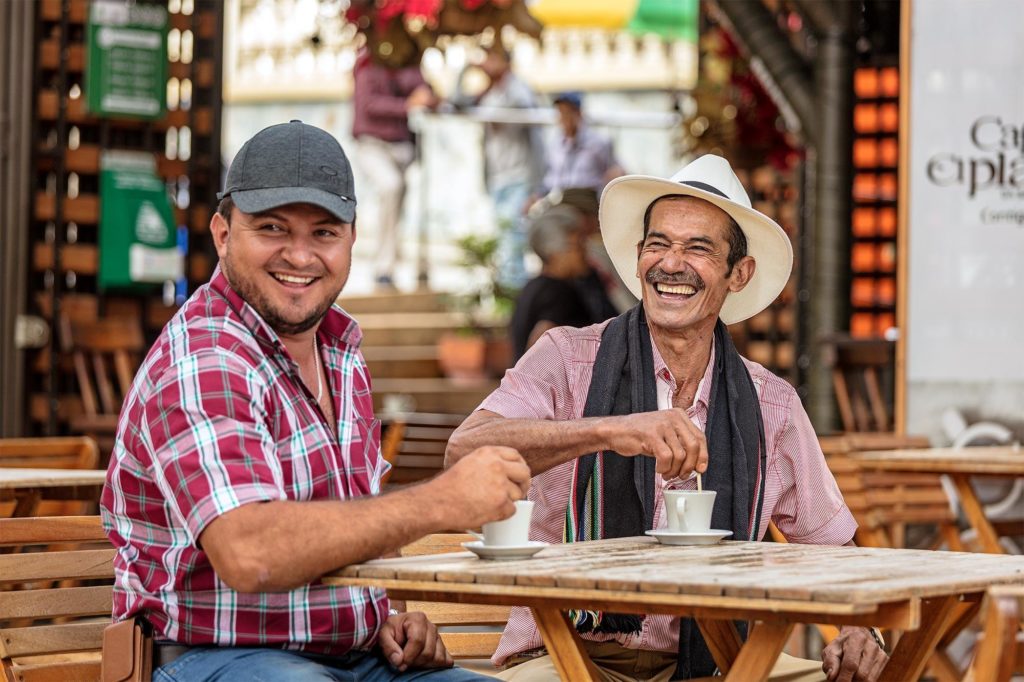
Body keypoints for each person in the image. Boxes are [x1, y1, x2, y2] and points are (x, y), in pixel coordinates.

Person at [101, 121, 531, 682]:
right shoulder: (206, 356)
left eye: (324, 232)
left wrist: (395, 613)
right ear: (223, 234)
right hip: (211, 660)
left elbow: (352, 517)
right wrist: (442, 502)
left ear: (353, 239)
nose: (300, 256)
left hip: (356, 659)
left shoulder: (339, 349)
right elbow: (250, 553)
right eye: (272, 228)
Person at [446, 155, 888, 682]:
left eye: (698, 248)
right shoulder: (566, 358)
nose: (671, 264)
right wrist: (611, 430)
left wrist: (863, 630)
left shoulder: (772, 402)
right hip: (565, 660)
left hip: (722, 666)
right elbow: (463, 451)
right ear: (637, 259)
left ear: (738, 274)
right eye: (658, 244)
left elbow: (836, 549)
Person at [351, 48, 437, 290]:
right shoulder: (367, 63)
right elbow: (368, 104)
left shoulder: (408, 62)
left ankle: (395, 265)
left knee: (399, 203)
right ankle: (383, 266)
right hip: (372, 144)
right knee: (391, 187)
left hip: (402, 147)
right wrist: (408, 104)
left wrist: (426, 96)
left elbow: (425, 93)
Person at [471, 42, 546, 288]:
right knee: (503, 236)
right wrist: (467, 69)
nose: (486, 63)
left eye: (492, 58)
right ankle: (508, 294)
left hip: (520, 176)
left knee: (512, 236)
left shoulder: (518, 90)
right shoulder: (490, 93)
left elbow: (531, 125)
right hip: (497, 177)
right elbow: (459, 100)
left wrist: (538, 185)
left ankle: (514, 297)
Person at [509, 204, 601, 362]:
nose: (585, 252)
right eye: (578, 245)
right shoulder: (559, 292)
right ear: (553, 252)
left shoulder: (532, 287)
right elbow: (538, 346)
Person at [538, 92, 623, 200]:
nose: (564, 118)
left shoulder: (598, 143)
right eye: (561, 112)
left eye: (568, 112)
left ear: (578, 113)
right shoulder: (555, 145)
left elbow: (615, 171)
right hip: (559, 199)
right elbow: (550, 180)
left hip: (587, 201)